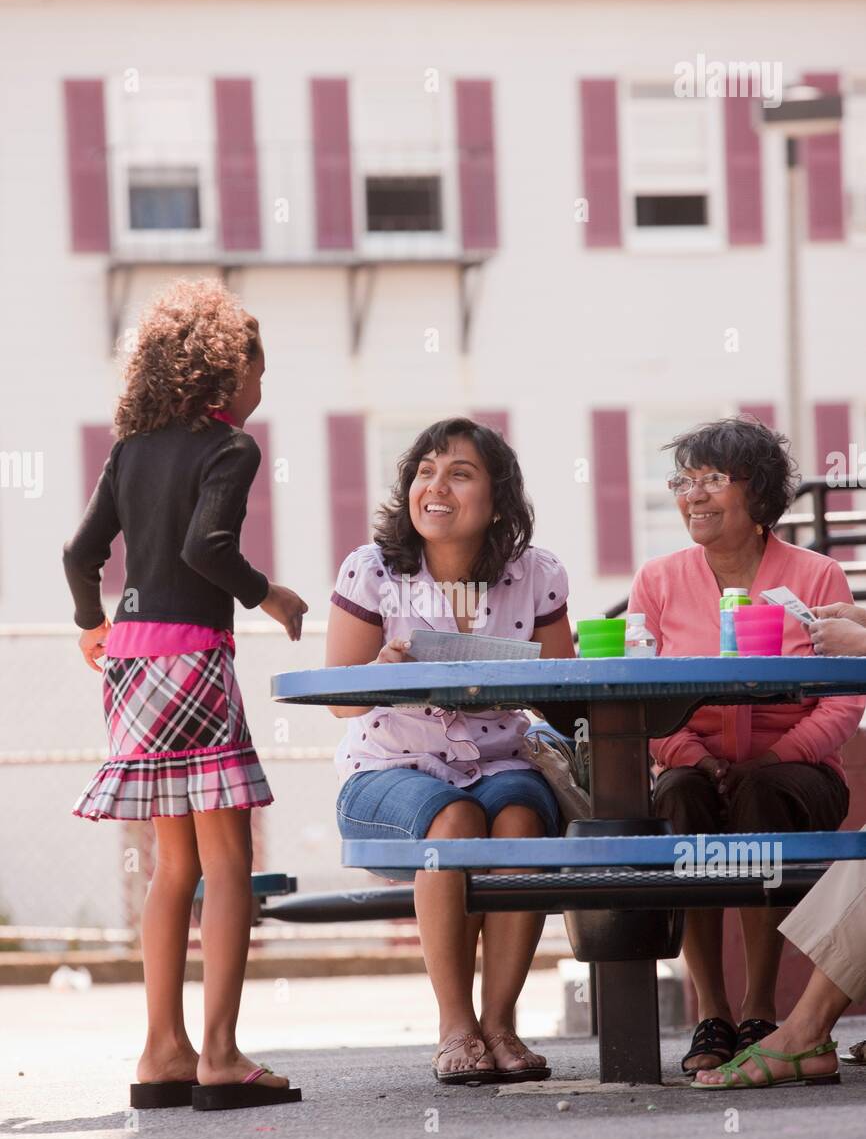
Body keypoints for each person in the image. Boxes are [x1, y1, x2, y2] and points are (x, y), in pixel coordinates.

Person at [62, 279, 308, 1112]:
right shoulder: (230, 448)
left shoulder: (130, 448)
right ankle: (223, 1056)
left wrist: (90, 624)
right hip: (193, 663)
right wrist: (269, 594)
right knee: (229, 863)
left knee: (174, 867)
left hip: (130, 664)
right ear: (224, 370)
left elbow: (79, 551)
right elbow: (208, 547)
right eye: (257, 375)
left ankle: (163, 1049)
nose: (261, 392)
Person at [326, 417, 575, 1084]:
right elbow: (344, 702)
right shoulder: (373, 568)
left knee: (520, 818)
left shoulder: (536, 573)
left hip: (502, 759)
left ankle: (501, 1022)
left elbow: (566, 695)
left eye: (459, 473)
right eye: (425, 471)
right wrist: (387, 672)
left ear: (497, 500)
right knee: (453, 821)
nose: (435, 486)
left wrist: (514, 677)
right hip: (389, 765)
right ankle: (456, 1026)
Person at [626, 417, 865, 1076]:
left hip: (797, 770)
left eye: (710, 480)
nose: (692, 495)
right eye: (683, 480)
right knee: (679, 799)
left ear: (757, 493)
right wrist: (694, 758)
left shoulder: (816, 575)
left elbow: (844, 699)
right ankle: (713, 1009)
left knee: (761, 796)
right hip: (693, 764)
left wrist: (768, 757)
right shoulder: (659, 579)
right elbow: (639, 694)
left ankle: (761, 1007)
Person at [693, 600, 866, 1088]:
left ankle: (804, 1031)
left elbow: (839, 709)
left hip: (798, 772)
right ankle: (791, 1029)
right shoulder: (663, 578)